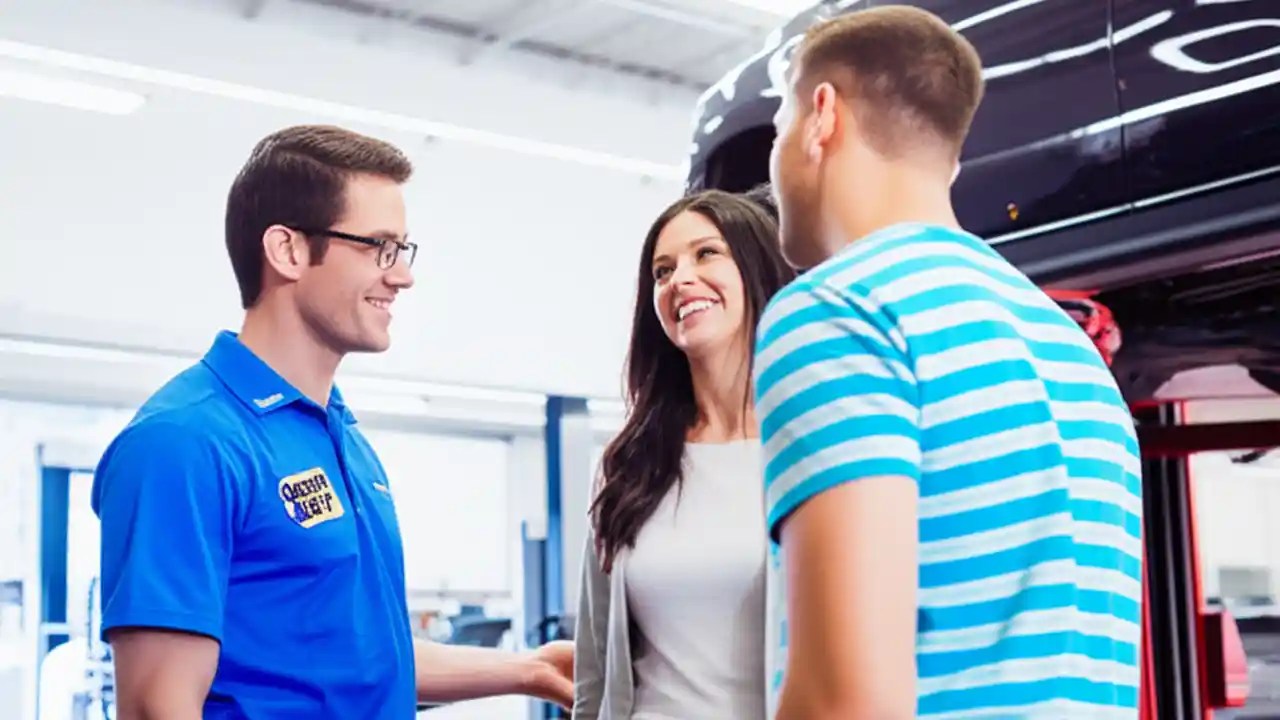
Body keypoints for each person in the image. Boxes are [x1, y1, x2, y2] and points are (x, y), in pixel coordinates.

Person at [90, 124, 573, 720]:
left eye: (402, 250)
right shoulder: (184, 443)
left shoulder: (340, 435)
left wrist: (531, 669)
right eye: (379, 247)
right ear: (288, 250)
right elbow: (155, 707)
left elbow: (363, 657)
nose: (402, 275)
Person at [757, 7, 1143, 720]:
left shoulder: (842, 311)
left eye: (776, 130)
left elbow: (847, 703)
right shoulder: (1071, 352)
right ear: (952, 159)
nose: (772, 164)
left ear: (821, 116)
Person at [573, 189, 795, 719]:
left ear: (756, 265)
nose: (680, 280)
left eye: (707, 253)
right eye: (662, 270)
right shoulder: (626, 463)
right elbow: (595, 671)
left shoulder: (807, 447)